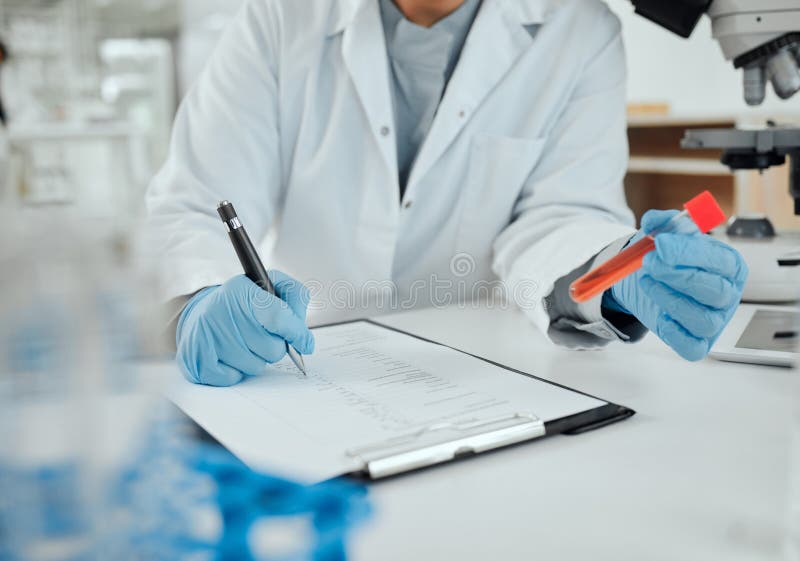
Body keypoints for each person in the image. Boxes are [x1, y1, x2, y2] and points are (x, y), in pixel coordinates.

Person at [147, 0, 748, 387]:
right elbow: (201, 199)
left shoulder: (580, 30)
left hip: (491, 373)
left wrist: (610, 274)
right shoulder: (282, 17)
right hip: (312, 360)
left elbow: (561, 213)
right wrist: (199, 299)